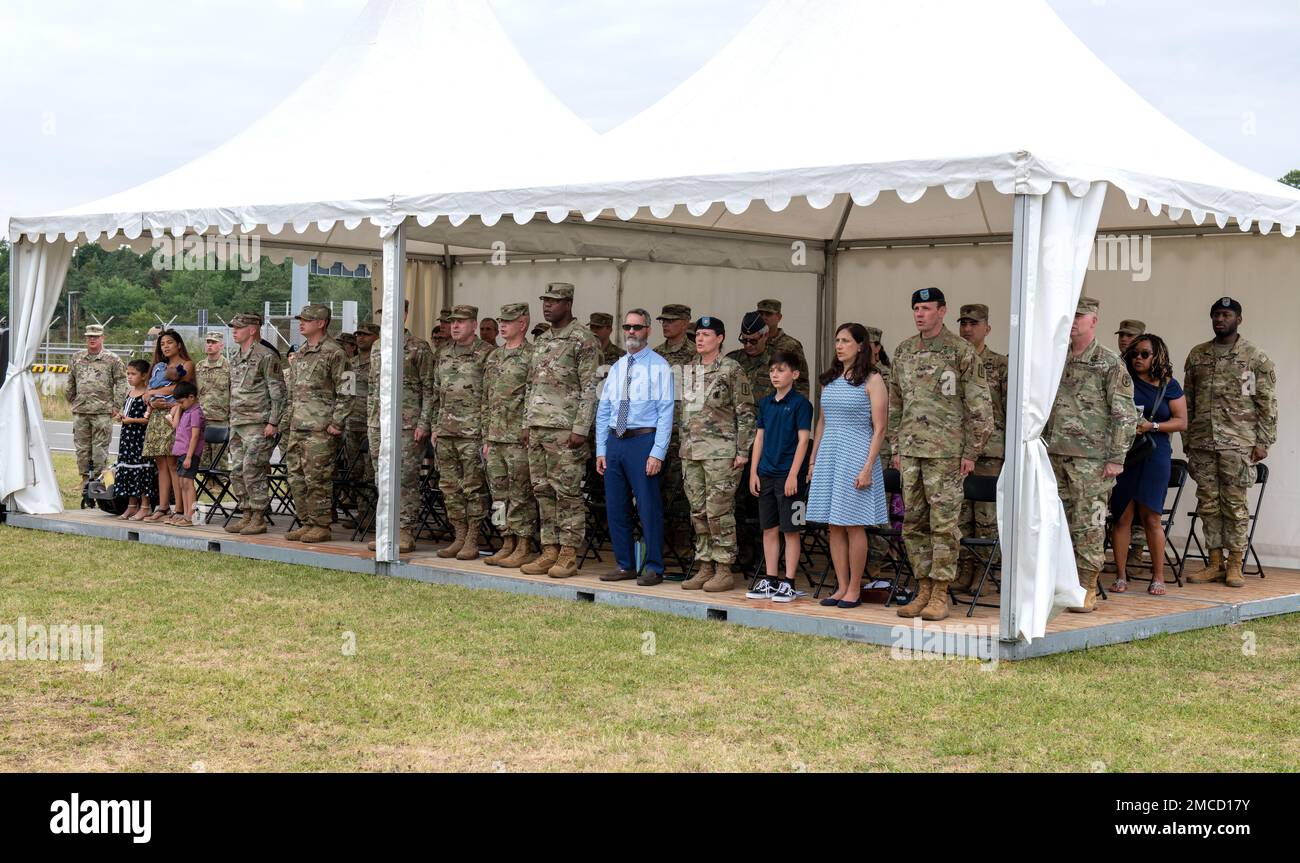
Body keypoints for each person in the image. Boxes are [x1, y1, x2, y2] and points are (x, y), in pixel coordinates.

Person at [890, 288, 993, 621]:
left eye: (926, 308)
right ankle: (922, 588)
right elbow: (896, 403)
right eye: (916, 308)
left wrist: (971, 451)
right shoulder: (904, 350)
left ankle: (940, 593)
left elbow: (980, 407)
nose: (920, 314)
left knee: (944, 525)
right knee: (913, 524)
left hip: (946, 455)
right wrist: (896, 446)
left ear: (942, 311)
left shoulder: (960, 351)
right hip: (910, 453)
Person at [1043, 296, 1138, 612]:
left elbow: (1124, 414)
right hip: (1055, 456)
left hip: (1092, 462)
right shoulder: (1056, 358)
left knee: (1089, 526)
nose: (1073, 322)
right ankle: (1059, 586)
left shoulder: (1109, 363)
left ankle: (1086, 588)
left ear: (1094, 321)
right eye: (1070, 315)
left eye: (1080, 316)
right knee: (1058, 525)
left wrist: (1116, 458)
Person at [1183, 297, 1277, 588]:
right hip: (1203, 443)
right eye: (1215, 315)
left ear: (1239, 319)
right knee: (1208, 504)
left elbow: (1267, 403)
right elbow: (1187, 401)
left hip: (1238, 444)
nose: (1219, 320)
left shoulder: (1254, 358)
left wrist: (1263, 442)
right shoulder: (1198, 355)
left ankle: (1235, 564)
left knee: (1235, 506)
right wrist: (1187, 439)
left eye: (1226, 315)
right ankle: (1214, 563)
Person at [522, 283, 601, 578]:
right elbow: (531, 384)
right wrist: (526, 423)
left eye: (553, 302)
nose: (547, 306)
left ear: (568, 303)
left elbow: (591, 387)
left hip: (565, 431)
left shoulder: (583, 339)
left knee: (566, 493)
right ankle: (549, 549)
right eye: (545, 300)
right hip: (539, 428)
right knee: (542, 491)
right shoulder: (542, 340)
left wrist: (581, 427)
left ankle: (568, 553)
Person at [807, 325, 889, 607]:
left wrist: (867, 466)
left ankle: (855, 588)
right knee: (833, 525)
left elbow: (879, 428)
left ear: (860, 346)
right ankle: (841, 586)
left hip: (856, 454)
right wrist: (813, 458)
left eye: (846, 341)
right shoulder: (829, 379)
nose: (839, 346)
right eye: (837, 340)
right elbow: (822, 421)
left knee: (853, 525)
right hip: (830, 453)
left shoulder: (873, 378)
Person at [595, 308, 676, 585]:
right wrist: (601, 449)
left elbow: (666, 413)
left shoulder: (659, 366)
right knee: (616, 507)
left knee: (648, 506)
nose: (631, 332)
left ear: (647, 331)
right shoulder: (617, 367)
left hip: (643, 441)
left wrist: (657, 452)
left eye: (637, 327)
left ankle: (654, 566)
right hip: (615, 441)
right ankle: (624, 564)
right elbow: (604, 409)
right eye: (627, 327)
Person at [678, 316, 756, 591]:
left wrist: (743, 451)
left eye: (706, 334)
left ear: (720, 338)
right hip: (692, 452)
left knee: (719, 512)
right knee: (698, 512)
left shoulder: (731, 369)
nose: (700, 339)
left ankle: (724, 568)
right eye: (698, 334)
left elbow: (746, 412)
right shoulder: (689, 369)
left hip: (722, 452)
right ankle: (705, 565)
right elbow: (685, 414)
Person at [1110, 334, 1186, 595]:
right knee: (1122, 516)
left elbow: (1181, 421)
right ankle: (1120, 575)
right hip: (1125, 452)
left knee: (1151, 517)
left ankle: (1158, 576)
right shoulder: (1123, 381)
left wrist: (1152, 425)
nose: (1138, 358)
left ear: (1157, 356)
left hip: (1155, 453)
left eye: (1144, 354)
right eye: (1134, 354)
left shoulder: (1169, 385)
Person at [366, 303, 433, 553]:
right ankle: (386, 529)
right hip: (378, 424)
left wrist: (424, 422)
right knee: (380, 477)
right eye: (383, 314)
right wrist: (370, 420)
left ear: (404, 315)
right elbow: (373, 389)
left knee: (404, 478)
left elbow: (429, 388)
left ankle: (405, 531)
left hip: (407, 424)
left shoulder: (418, 347)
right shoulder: (376, 346)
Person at [746, 351, 813, 602]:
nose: (775, 374)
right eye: (772, 370)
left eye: (781, 370)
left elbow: (803, 440)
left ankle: (789, 582)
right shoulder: (764, 403)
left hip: (789, 476)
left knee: (791, 529)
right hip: (766, 474)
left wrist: (794, 474)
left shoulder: (801, 405)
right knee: (769, 528)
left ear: (794, 374)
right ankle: (771, 579)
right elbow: (759, 438)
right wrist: (754, 472)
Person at [430, 304, 494, 560]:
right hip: (446, 432)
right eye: (452, 322)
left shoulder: (486, 353)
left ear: (474, 325)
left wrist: (487, 434)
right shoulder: (444, 353)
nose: (455, 326)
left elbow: (491, 396)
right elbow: (437, 394)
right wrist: (435, 426)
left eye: (461, 322)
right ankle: (458, 535)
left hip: (472, 433)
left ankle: (472, 538)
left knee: (473, 488)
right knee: (449, 488)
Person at [954, 304, 1008, 594]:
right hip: (955, 449)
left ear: (987, 328)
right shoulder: (951, 361)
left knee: (986, 517)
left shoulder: (1000, 364)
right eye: (962, 322)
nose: (966, 328)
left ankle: (985, 573)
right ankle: (964, 568)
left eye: (973, 323)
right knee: (960, 516)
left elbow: (1011, 410)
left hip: (989, 451)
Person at [283, 304, 348, 543]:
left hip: (320, 428)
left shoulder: (335, 352)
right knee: (296, 477)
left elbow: (347, 391)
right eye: (301, 319)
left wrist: (337, 422)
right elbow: (294, 389)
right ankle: (307, 521)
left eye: (307, 320)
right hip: (297, 425)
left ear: (321, 323)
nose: (301, 323)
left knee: (317, 479)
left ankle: (321, 525)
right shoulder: (301, 351)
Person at [482, 303, 540, 568]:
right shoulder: (494, 356)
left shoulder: (531, 355)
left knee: (520, 495)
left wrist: (527, 430)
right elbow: (486, 398)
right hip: (494, 437)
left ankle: (524, 544)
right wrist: (485, 436)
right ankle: (505, 540)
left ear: (523, 323)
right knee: (498, 495)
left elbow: (532, 397)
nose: (503, 325)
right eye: (500, 320)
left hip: (518, 437)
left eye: (509, 321)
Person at [224, 313, 286, 536]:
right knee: (237, 471)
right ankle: (246, 513)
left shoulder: (266, 355)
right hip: (238, 422)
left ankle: (259, 517)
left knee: (253, 469)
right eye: (234, 327)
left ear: (252, 330)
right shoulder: (234, 354)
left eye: (239, 327)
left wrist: (273, 421)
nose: (234, 331)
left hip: (259, 423)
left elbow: (277, 392)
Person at [141, 330, 196, 522]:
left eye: (170, 342)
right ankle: (162, 506)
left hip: (175, 416)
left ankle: (179, 508)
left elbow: (178, 388)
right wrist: (150, 398)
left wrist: (154, 391)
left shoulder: (186, 365)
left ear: (179, 344)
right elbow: (147, 392)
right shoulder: (158, 367)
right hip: (156, 416)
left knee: (173, 463)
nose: (165, 346)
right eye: (162, 343)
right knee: (161, 463)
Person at [67, 323, 127, 487]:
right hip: (81, 411)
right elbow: (71, 380)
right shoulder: (77, 357)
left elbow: (122, 382)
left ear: (102, 338)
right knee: (82, 450)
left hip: (102, 412)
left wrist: (117, 406)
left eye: (95, 336)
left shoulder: (112, 359)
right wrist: (71, 399)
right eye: (89, 336)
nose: (92, 339)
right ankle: (86, 483)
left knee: (100, 451)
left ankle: (105, 485)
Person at [113, 359, 157, 521]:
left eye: (133, 374)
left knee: (141, 469)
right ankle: (131, 505)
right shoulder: (129, 393)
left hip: (139, 437)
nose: (129, 377)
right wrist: (121, 416)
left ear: (144, 375)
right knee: (129, 468)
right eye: (128, 374)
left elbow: (147, 419)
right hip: (127, 438)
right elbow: (127, 412)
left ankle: (145, 505)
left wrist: (132, 420)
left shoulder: (147, 395)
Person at [166, 381, 205, 526]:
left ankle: (191, 516)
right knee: (182, 483)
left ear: (191, 397)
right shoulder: (186, 411)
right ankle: (185, 514)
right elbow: (176, 426)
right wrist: (177, 410)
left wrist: (189, 456)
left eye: (182, 402)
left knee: (188, 483)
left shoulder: (195, 412)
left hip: (190, 453)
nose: (180, 405)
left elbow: (195, 436)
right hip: (182, 452)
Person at [756, 299, 809, 397]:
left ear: (779, 317)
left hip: (781, 406)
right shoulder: (752, 343)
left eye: (768, 314)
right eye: (760, 314)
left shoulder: (791, 345)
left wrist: (798, 408)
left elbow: (802, 382)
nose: (763, 317)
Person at [347, 322, 378, 485]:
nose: (360, 337)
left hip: (371, 424)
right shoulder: (350, 364)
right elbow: (345, 393)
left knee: (371, 473)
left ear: (377, 337)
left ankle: (372, 510)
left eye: (365, 334)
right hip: (352, 424)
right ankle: (360, 509)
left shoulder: (381, 362)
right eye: (358, 334)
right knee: (354, 472)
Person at [726, 311, 775, 404]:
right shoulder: (731, 360)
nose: (748, 345)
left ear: (765, 335)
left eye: (753, 341)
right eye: (744, 340)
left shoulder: (778, 361)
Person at [196, 331, 231, 429]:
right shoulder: (199, 366)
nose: (210, 345)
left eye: (214, 342)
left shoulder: (228, 367)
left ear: (221, 345)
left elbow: (234, 394)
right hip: (200, 418)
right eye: (208, 342)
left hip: (220, 420)